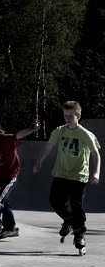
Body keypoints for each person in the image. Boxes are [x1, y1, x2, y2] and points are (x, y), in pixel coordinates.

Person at [33, 101, 101, 252]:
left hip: (78, 175)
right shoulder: (59, 131)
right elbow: (48, 147)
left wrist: (96, 172)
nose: (67, 118)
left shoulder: (85, 134)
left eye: (71, 116)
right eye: (65, 115)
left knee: (76, 205)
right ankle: (69, 221)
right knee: (55, 200)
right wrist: (39, 162)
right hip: (61, 173)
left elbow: (96, 154)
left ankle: (79, 234)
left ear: (78, 116)